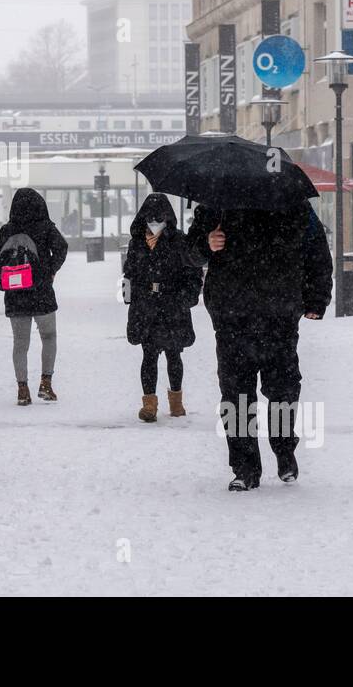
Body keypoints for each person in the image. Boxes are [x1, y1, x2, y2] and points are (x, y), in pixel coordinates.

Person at [188, 202, 332, 491]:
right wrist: (205, 245)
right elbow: (188, 252)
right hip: (232, 316)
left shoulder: (294, 206)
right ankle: (244, 467)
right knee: (236, 393)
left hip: (278, 315)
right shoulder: (216, 205)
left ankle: (284, 450)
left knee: (283, 388)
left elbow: (317, 252)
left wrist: (317, 298)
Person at [122, 194, 203, 423]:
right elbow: (129, 272)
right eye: (151, 218)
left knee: (173, 353)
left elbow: (192, 272)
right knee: (149, 354)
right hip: (146, 305)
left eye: (159, 218)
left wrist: (186, 297)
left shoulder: (178, 240)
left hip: (172, 305)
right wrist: (130, 296)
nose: (154, 222)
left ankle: (176, 403)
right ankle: (149, 405)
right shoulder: (137, 241)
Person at [0, 189, 69, 405]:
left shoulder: (7, 230)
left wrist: (9, 276)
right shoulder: (45, 227)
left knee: (20, 342)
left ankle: (22, 389)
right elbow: (62, 248)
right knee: (49, 337)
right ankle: (46, 383)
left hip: (16, 295)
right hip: (42, 291)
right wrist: (50, 270)